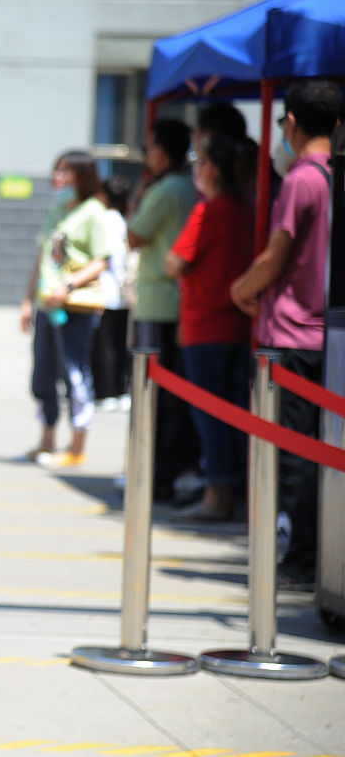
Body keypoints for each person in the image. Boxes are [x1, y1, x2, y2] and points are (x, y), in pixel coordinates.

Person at [231, 79, 344, 590]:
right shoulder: (334, 176)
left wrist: (240, 289)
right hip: (328, 336)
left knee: (293, 453)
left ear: (292, 123)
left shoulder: (300, 179)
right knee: (321, 452)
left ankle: (299, 561)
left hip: (292, 334)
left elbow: (275, 256)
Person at [165, 133, 254, 521]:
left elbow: (175, 262)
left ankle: (217, 494)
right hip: (239, 324)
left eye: (198, 162)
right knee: (233, 412)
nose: (195, 170)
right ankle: (232, 490)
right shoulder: (246, 208)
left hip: (205, 324)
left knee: (209, 414)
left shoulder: (209, 209)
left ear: (211, 168)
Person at [19, 151, 111, 467]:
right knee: (43, 374)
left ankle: (76, 447)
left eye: (66, 172)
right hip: (47, 307)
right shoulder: (57, 211)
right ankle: (46, 441)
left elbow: (102, 261)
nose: (58, 178)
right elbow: (41, 258)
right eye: (57, 171)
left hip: (76, 308)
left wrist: (68, 286)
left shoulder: (94, 212)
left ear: (82, 176)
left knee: (74, 374)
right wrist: (28, 301)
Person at [127, 119, 201, 500]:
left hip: (158, 301)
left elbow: (133, 235)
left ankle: (156, 474)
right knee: (173, 396)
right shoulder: (188, 186)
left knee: (153, 394)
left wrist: (139, 194)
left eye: (150, 148)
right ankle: (172, 472)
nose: (146, 155)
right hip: (177, 300)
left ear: (165, 151)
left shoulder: (166, 189)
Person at [91, 175, 131, 408]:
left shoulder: (107, 219)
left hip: (108, 290)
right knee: (117, 342)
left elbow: (113, 256)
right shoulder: (121, 219)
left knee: (105, 344)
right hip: (120, 291)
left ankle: (107, 391)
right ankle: (118, 389)